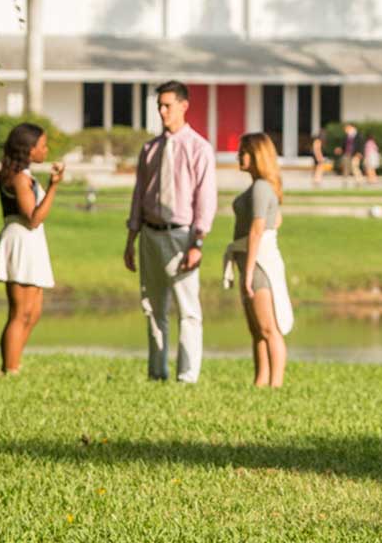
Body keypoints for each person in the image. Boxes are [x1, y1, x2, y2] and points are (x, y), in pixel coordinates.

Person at [124, 80, 218, 383]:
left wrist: (198, 241)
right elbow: (139, 195)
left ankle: (188, 374)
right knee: (153, 306)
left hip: (181, 234)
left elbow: (205, 198)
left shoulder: (199, 148)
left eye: (167, 105)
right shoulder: (150, 149)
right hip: (150, 233)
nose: (163, 111)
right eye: (159, 106)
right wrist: (131, 238)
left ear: (183, 106)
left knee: (188, 308)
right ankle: (157, 371)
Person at [0, 123, 64, 374]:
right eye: (42, 145)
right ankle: (10, 369)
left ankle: (13, 363)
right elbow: (33, 217)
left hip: (30, 242)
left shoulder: (24, 175)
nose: (46, 149)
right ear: (29, 150)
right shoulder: (20, 178)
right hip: (21, 239)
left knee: (33, 313)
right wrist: (53, 186)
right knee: (20, 313)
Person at [225, 132, 294, 387]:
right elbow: (276, 219)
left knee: (268, 329)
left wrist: (249, 270)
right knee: (256, 330)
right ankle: (260, 380)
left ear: (257, 156)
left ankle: (275, 384)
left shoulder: (262, 188)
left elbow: (257, 229)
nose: (239, 156)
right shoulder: (259, 187)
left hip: (258, 266)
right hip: (249, 262)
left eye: (244, 152)